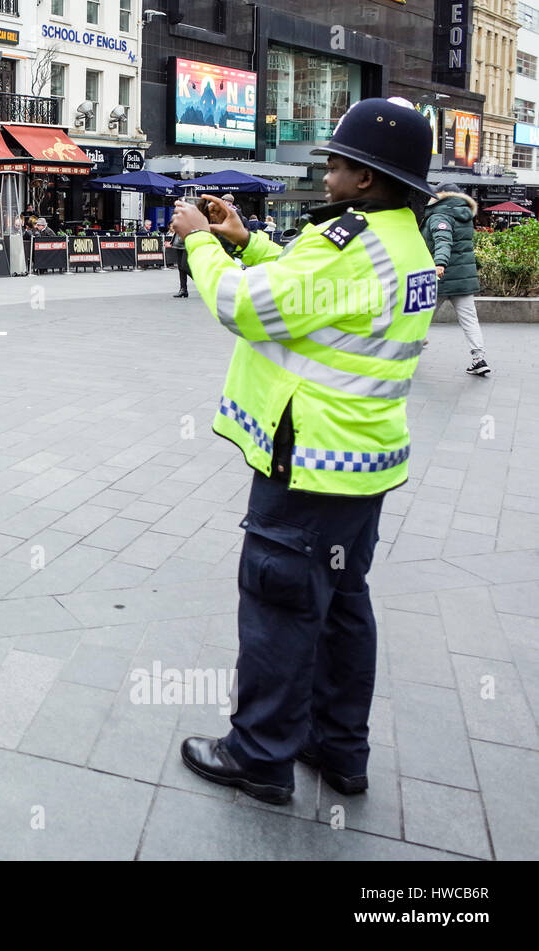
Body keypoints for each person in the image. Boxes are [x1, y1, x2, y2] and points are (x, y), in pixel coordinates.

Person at [171, 97, 438, 804]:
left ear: (369, 179)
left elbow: (246, 308)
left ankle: (259, 754)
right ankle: (339, 749)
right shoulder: (403, 241)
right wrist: (248, 240)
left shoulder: (345, 243)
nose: (328, 175)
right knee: (344, 604)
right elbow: (308, 296)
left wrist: (200, 240)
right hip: (364, 464)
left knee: (278, 605)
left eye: (339, 165)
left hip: (309, 463)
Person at [420, 191, 489, 375]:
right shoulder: (465, 216)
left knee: (420, 315)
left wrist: (440, 263)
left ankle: (411, 345)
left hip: (440, 277)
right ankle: (479, 358)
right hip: (464, 279)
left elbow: (443, 240)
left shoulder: (439, 216)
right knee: (470, 320)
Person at [168, 220, 188, 298]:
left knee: (184, 266)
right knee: (180, 267)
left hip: (187, 242)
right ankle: (183, 289)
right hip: (179, 242)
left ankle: (202, 283)